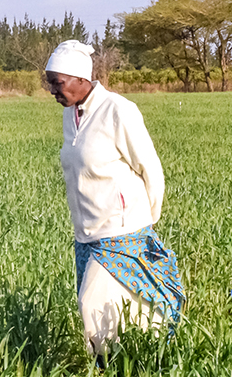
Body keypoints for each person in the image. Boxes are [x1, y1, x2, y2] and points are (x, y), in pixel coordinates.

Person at [43, 40, 185, 355]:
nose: (52, 90)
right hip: (86, 234)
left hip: (121, 232)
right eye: (49, 83)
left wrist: (143, 221)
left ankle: (105, 371)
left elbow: (150, 168)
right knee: (126, 305)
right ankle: (149, 357)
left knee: (90, 304)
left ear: (81, 79)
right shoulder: (71, 113)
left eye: (58, 83)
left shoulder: (117, 110)